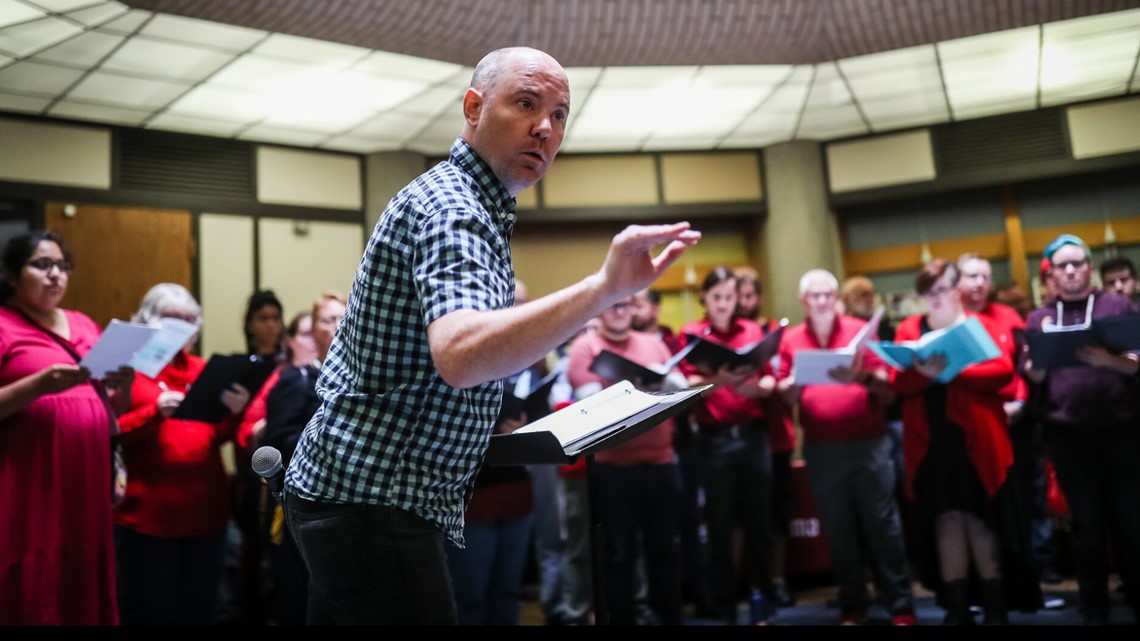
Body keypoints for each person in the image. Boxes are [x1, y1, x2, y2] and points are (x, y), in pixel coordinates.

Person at [281, 45, 701, 625]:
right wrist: (602, 289)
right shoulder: (457, 208)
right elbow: (462, 356)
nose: (545, 128)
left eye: (559, 115)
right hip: (374, 500)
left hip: (352, 490)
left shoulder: (470, 201)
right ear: (473, 108)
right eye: (526, 104)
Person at [891, 259, 1042, 625]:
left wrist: (952, 370)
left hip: (977, 440)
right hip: (932, 441)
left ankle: (994, 603)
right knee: (946, 519)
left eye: (943, 289)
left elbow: (1003, 371)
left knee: (981, 519)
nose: (936, 297)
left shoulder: (979, 324)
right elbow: (899, 381)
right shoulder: (911, 326)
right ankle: (957, 604)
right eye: (929, 292)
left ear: (957, 289)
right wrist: (925, 375)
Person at [0, 230, 132, 625]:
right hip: (29, 477)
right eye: (42, 265)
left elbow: (112, 410)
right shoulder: (4, 325)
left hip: (85, 478)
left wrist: (123, 384)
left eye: (62, 266)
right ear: (10, 274)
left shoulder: (84, 324)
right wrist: (39, 385)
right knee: (32, 571)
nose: (55, 274)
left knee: (83, 571)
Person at [776, 269, 917, 626]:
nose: (823, 301)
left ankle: (900, 604)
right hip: (822, 449)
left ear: (836, 297)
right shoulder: (791, 339)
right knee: (838, 530)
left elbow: (885, 381)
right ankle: (852, 602)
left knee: (882, 525)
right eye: (815, 296)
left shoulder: (858, 330)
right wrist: (791, 386)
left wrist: (861, 376)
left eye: (828, 295)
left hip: (869, 442)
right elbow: (783, 392)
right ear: (803, 301)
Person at [113, 283, 252, 625]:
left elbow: (212, 436)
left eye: (189, 320)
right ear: (148, 319)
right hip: (147, 517)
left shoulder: (201, 368)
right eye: (171, 318)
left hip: (206, 514)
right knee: (151, 611)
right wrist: (154, 413)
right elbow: (110, 432)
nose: (181, 326)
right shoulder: (129, 369)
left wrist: (235, 413)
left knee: (201, 610)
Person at [1024, 234, 1140, 625]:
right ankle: (1094, 607)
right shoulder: (1041, 318)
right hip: (1067, 434)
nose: (1070, 271)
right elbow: (1034, 375)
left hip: (1120, 429)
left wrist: (1107, 359)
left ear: (1090, 268)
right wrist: (1036, 363)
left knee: (1129, 521)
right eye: (1062, 266)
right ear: (1052, 275)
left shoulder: (1118, 306)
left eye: (1077, 263)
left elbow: (1136, 365)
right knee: (1085, 525)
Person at [566, 295, 688, 625]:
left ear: (634, 309)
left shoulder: (653, 343)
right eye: (612, 305)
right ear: (600, 309)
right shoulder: (585, 347)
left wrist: (659, 382)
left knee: (664, 551)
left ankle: (670, 619)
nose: (619, 312)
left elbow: (681, 389)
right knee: (619, 555)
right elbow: (588, 407)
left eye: (625, 305)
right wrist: (633, 388)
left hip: (661, 463)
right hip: (613, 468)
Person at [678, 266, 775, 625]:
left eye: (729, 298)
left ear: (737, 298)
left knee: (758, 525)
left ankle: (761, 601)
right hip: (713, 440)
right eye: (716, 298)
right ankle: (724, 609)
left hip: (752, 436)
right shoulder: (692, 334)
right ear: (705, 298)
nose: (723, 304)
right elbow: (682, 387)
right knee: (719, 528)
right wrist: (717, 381)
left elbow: (770, 382)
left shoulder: (752, 330)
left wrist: (753, 387)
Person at [445, 282, 539, 625]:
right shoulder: (465, 354)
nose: (520, 309)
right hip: (473, 497)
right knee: (470, 595)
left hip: (517, 492)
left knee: (506, 592)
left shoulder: (531, 360)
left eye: (527, 303)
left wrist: (529, 427)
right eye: (515, 301)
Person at [258, 298, 340, 625]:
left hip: (343, 511)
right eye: (329, 320)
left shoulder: (355, 382)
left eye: (344, 318)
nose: (338, 325)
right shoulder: (298, 379)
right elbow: (277, 442)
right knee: (297, 601)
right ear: (312, 334)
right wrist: (331, 440)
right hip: (301, 511)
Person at [733, 265, 795, 610]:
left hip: (776, 437)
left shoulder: (774, 331)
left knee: (777, 515)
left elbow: (786, 372)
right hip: (740, 439)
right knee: (743, 517)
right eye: (737, 296)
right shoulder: (727, 334)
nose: (743, 302)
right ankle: (745, 584)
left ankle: (777, 579)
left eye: (748, 295)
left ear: (758, 297)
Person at [631, 288, 680, 353]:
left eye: (639, 307)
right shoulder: (623, 342)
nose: (634, 312)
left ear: (656, 310)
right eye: (631, 307)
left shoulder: (673, 344)